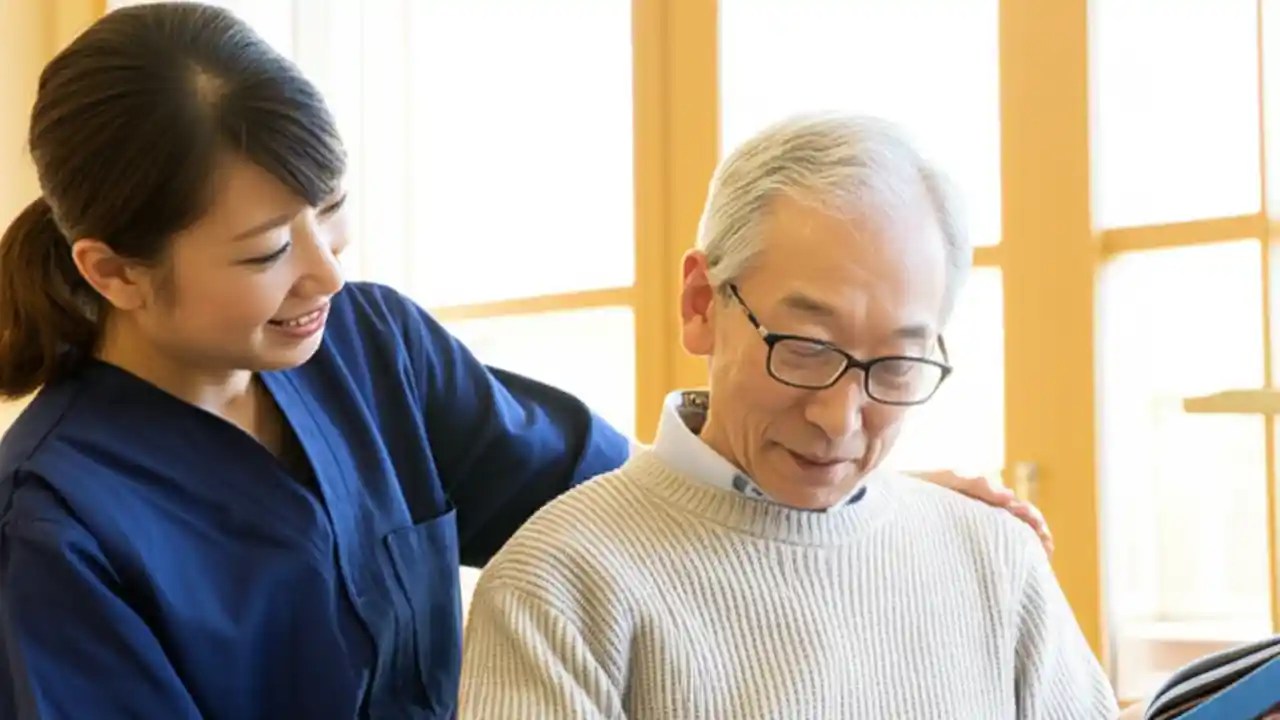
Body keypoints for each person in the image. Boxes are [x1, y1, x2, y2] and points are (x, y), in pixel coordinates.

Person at [0, 4, 1049, 719]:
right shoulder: (55, 530)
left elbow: (643, 502)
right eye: (268, 251)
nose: (326, 270)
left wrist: (861, 499)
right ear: (116, 271)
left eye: (330, 213)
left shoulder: (373, 353)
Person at [458, 113, 1120, 719]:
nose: (839, 418)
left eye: (894, 366)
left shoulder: (994, 560)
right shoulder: (559, 581)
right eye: (803, 350)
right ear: (699, 304)